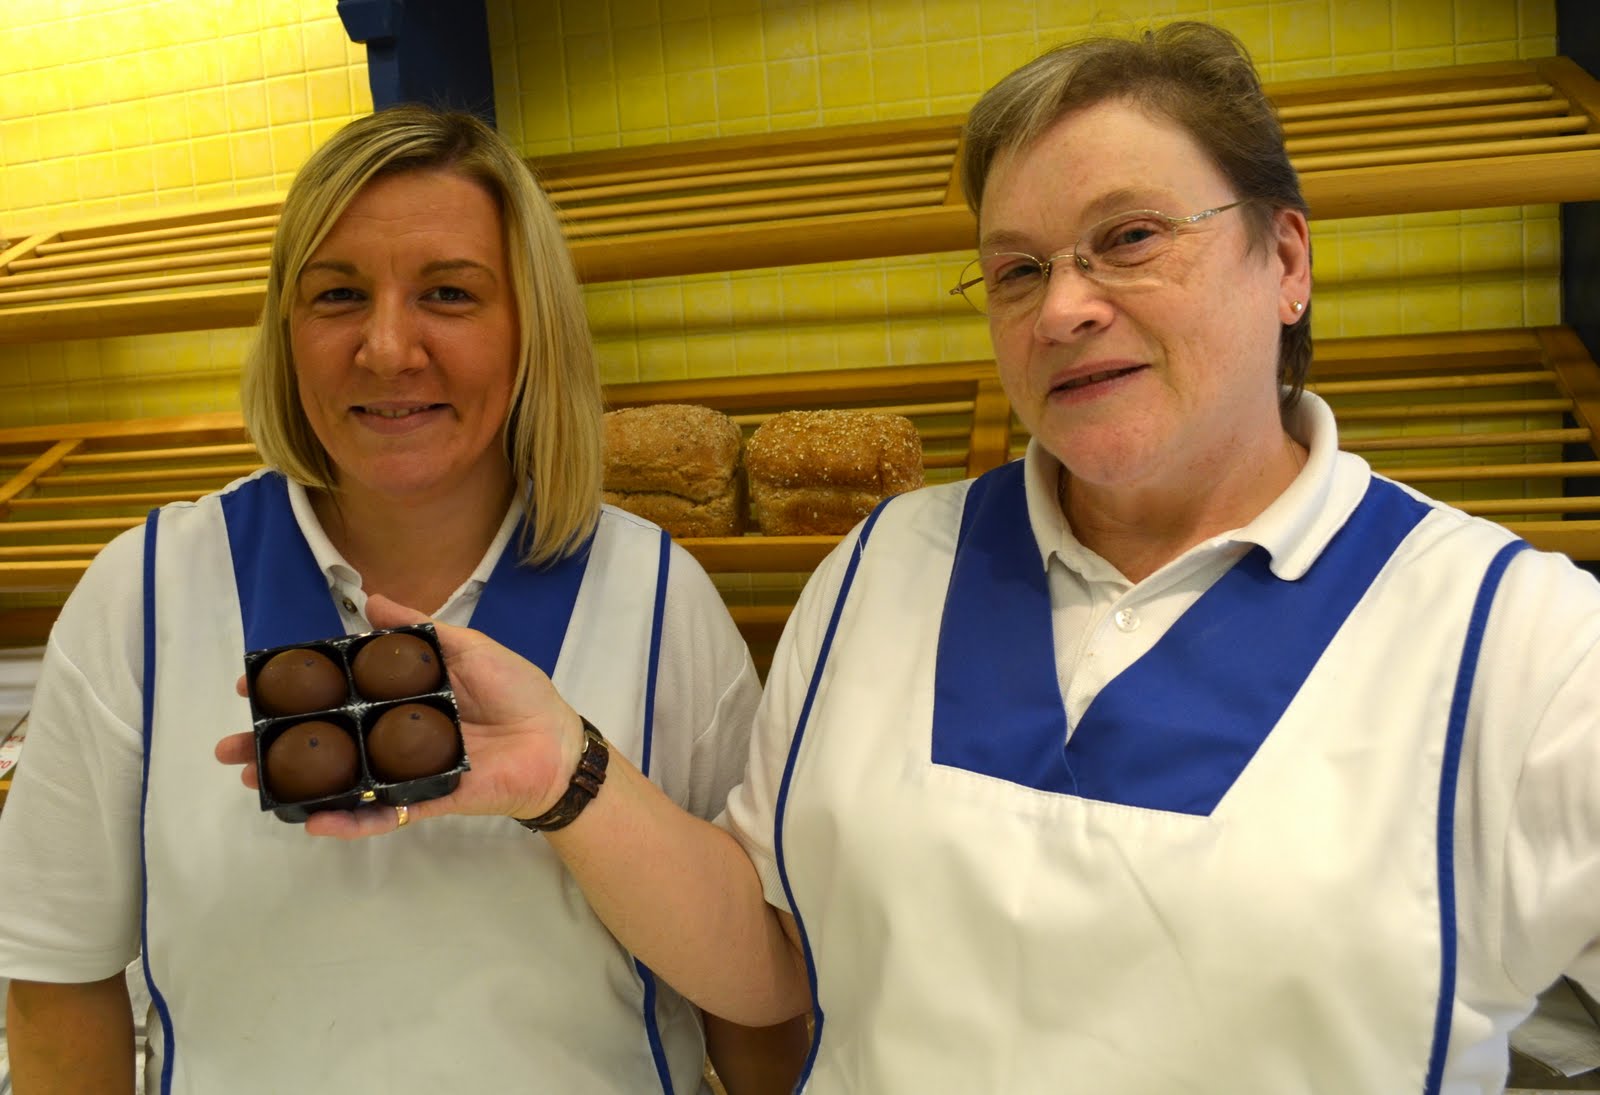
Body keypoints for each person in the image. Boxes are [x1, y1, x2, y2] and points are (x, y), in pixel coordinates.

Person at [222, 23, 1600, 1095]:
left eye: (1128, 239)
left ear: (1285, 260)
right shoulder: (888, 565)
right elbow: (772, 958)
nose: (1064, 307)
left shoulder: (1520, 645)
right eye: (1015, 269)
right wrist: (563, 774)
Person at [0, 105, 806, 1094]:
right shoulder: (144, 596)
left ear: (531, 329)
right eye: (338, 294)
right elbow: (58, 978)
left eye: (449, 294)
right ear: (287, 329)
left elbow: (757, 997)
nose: (386, 348)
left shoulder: (654, 600)